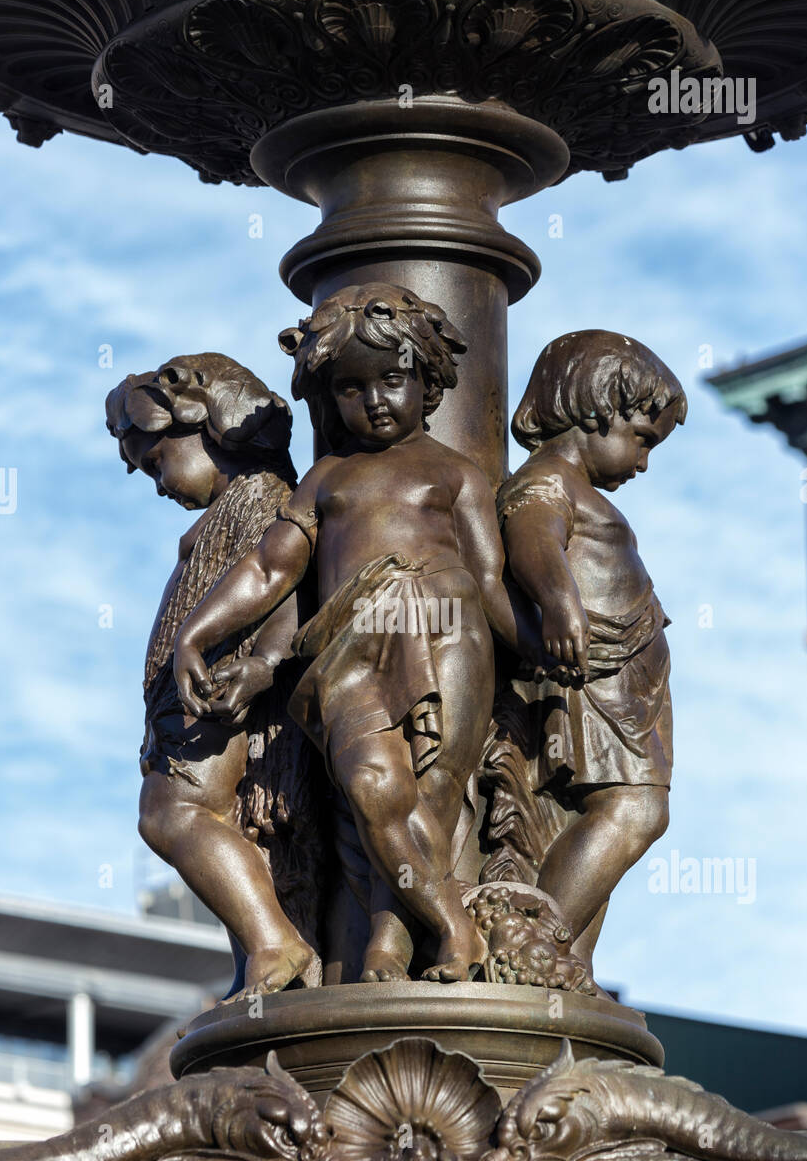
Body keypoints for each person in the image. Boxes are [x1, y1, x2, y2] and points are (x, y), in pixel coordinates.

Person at [173, 285, 547, 983]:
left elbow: (492, 580)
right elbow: (271, 569)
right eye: (349, 387)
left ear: (429, 381)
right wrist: (203, 635)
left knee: (432, 794)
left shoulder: (455, 474)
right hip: (350, 640)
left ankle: (391, 944)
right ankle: (451, 924)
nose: (373, 399)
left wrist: (539, 645)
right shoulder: (326, 478)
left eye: (392, 379)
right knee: (371, 786)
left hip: (447, 627)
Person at [107, 354, 320, 998]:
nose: (158, 484)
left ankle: (274, 943)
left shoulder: (263, 501)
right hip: (193, 697)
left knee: (173, 812)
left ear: (203, 423)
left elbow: (285, 589)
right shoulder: (236, 509)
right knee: (216, 826)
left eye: (157, 463)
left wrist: (261, 663)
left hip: (214, 693)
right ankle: (265, 956)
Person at [499, 329, 687, 978]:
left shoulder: (576, 488)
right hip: (594, 684)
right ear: (596, 407)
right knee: (632, 810)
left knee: (600, 819)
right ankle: (529, 945)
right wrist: (559, 603)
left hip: (626, 691)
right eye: (642, 438)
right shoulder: (547, 482)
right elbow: (533, 541)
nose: (642, 461)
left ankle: (568, 965)